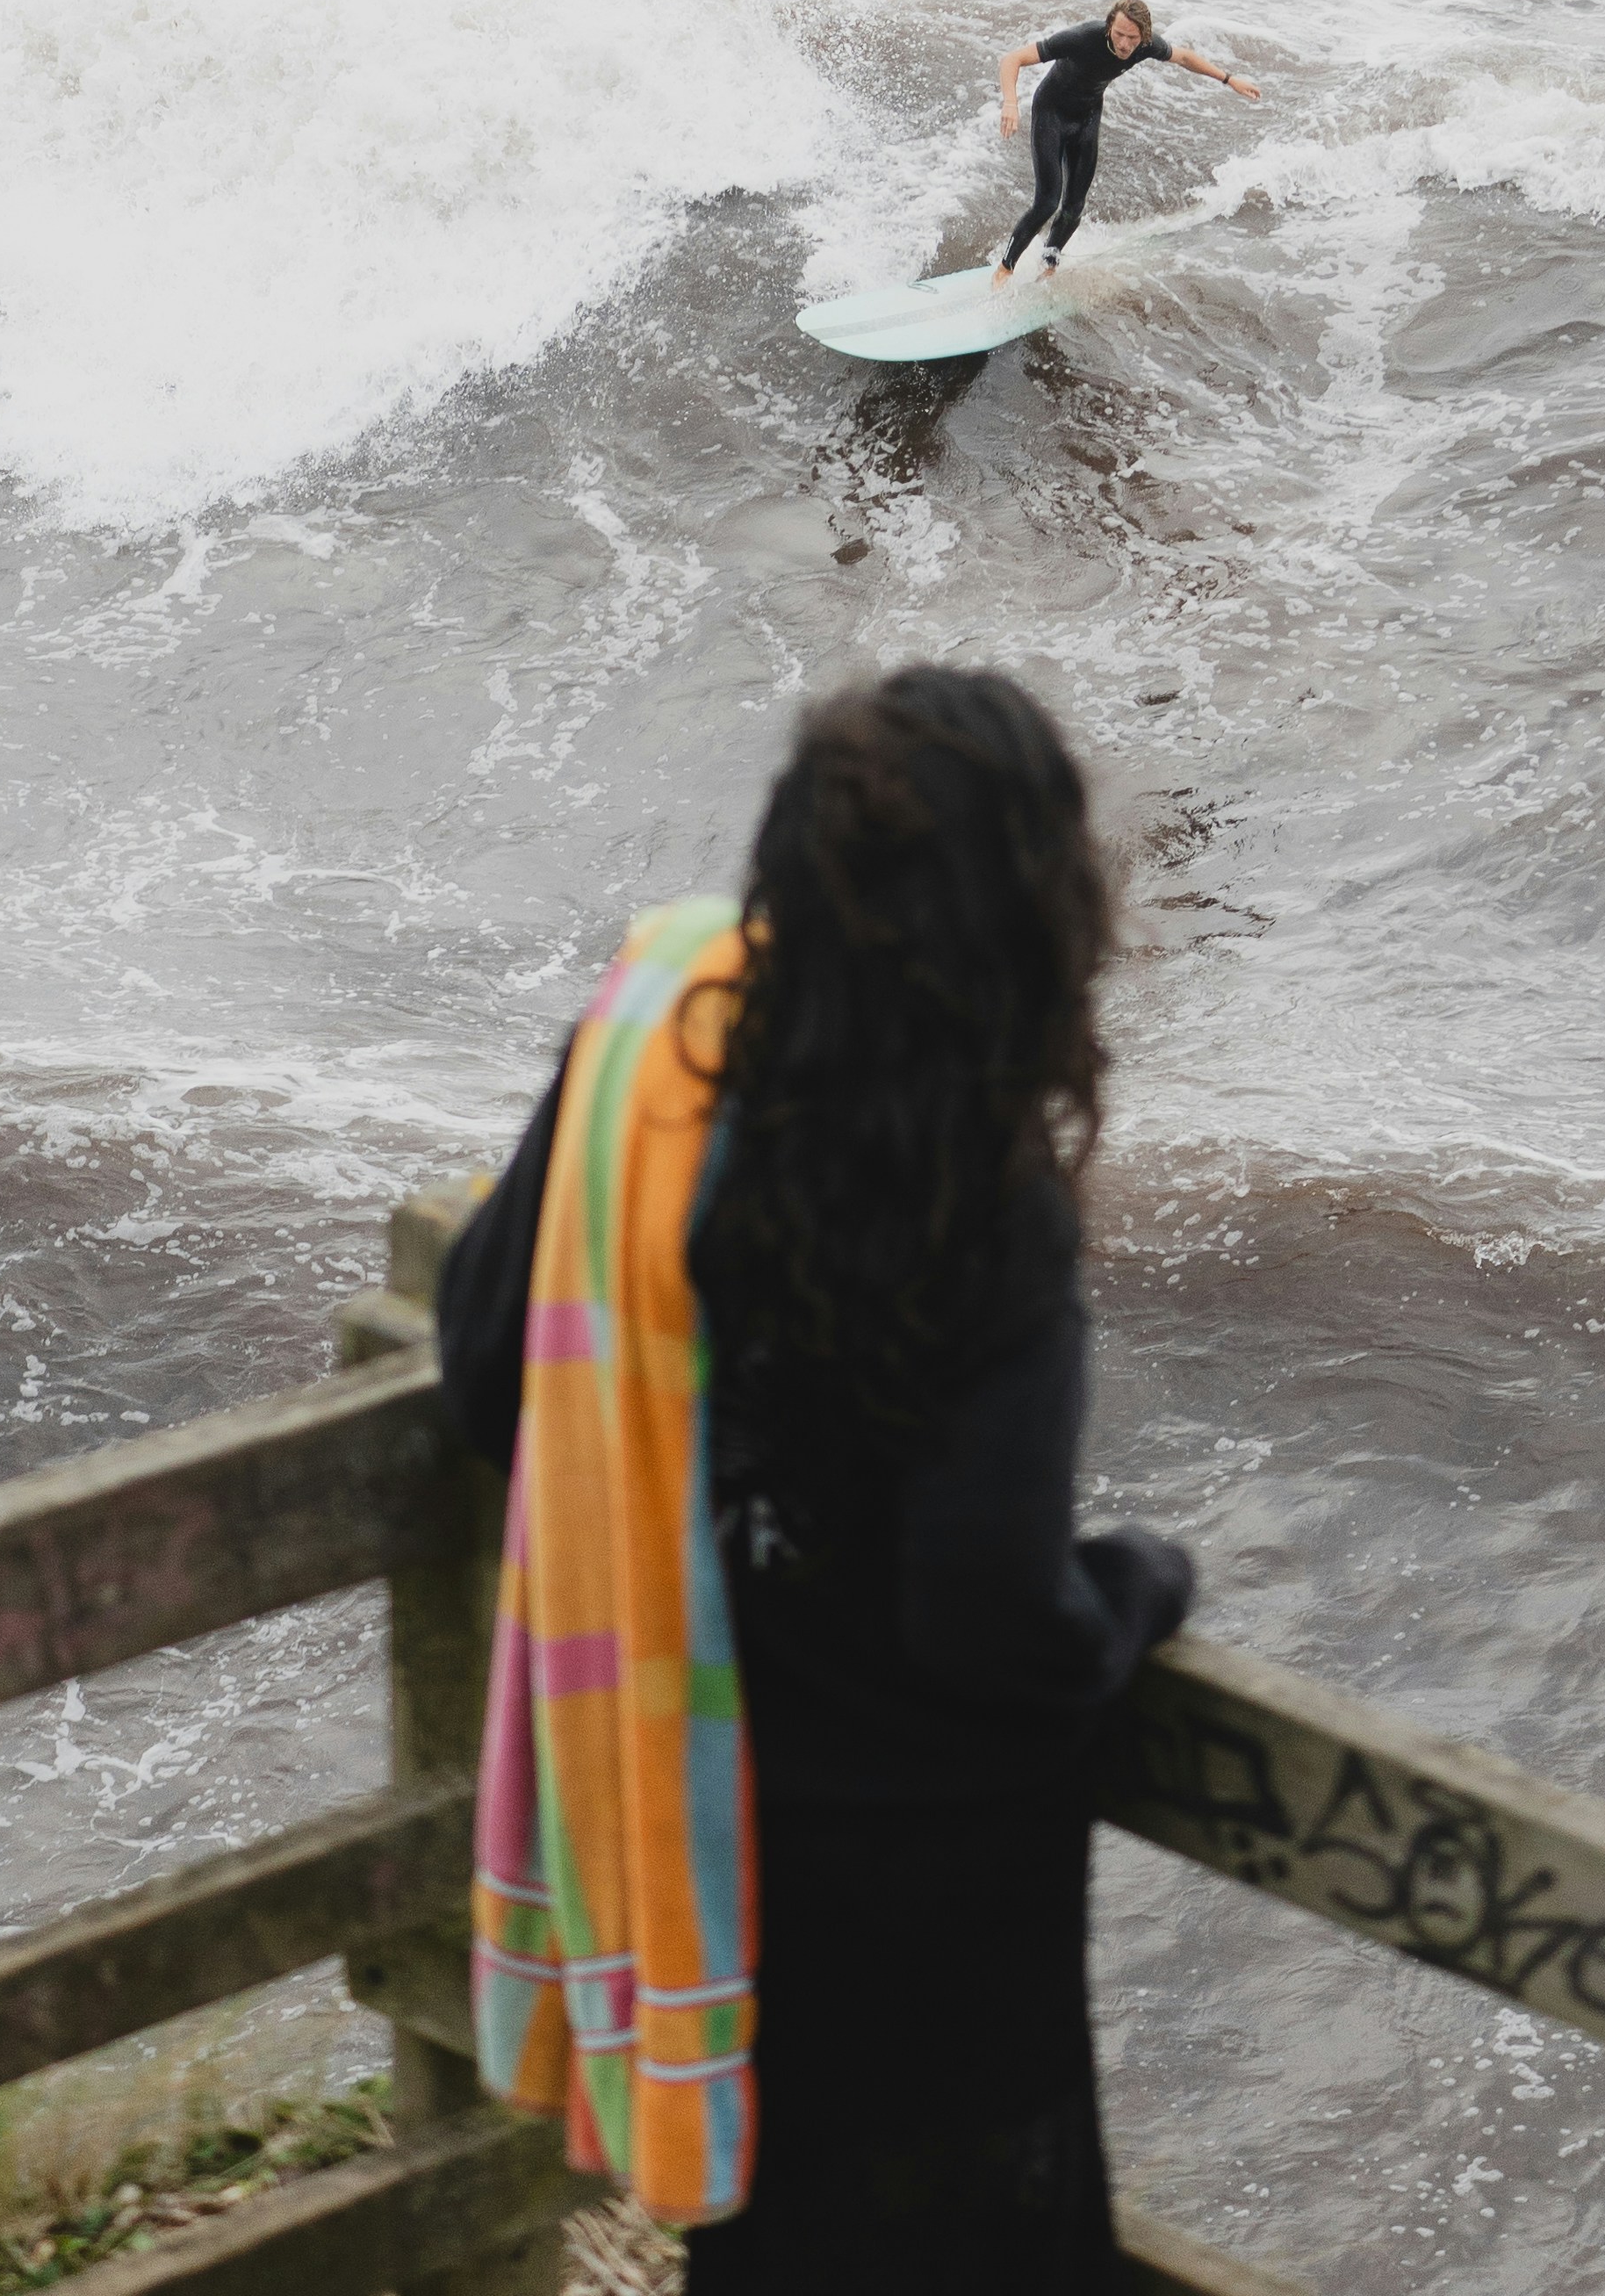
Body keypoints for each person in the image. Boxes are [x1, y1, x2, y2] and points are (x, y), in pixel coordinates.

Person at [439, 666, 1192, 2292]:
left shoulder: (640, 1063)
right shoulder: (986, 1205)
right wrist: (1135, 1591)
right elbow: (986, 1609)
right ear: (1025, 918)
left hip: (693, 1821)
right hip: (931, 1899)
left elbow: (493, 1361)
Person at [993, 0, 1262, 285]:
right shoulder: (1083, 37)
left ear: (1143, 37)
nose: (1124, 44)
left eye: (1132, 38)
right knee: (1047, 202)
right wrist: (1010, 102)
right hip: (1052, 113)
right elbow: (1012, 59)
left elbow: (1183, 57)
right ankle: (1005, 269)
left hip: (1087, 117)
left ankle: (1048, 265)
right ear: (1110, 26)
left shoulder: (1147, 46)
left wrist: (1229, 79)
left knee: (1074, 206)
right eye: (1118, 34)